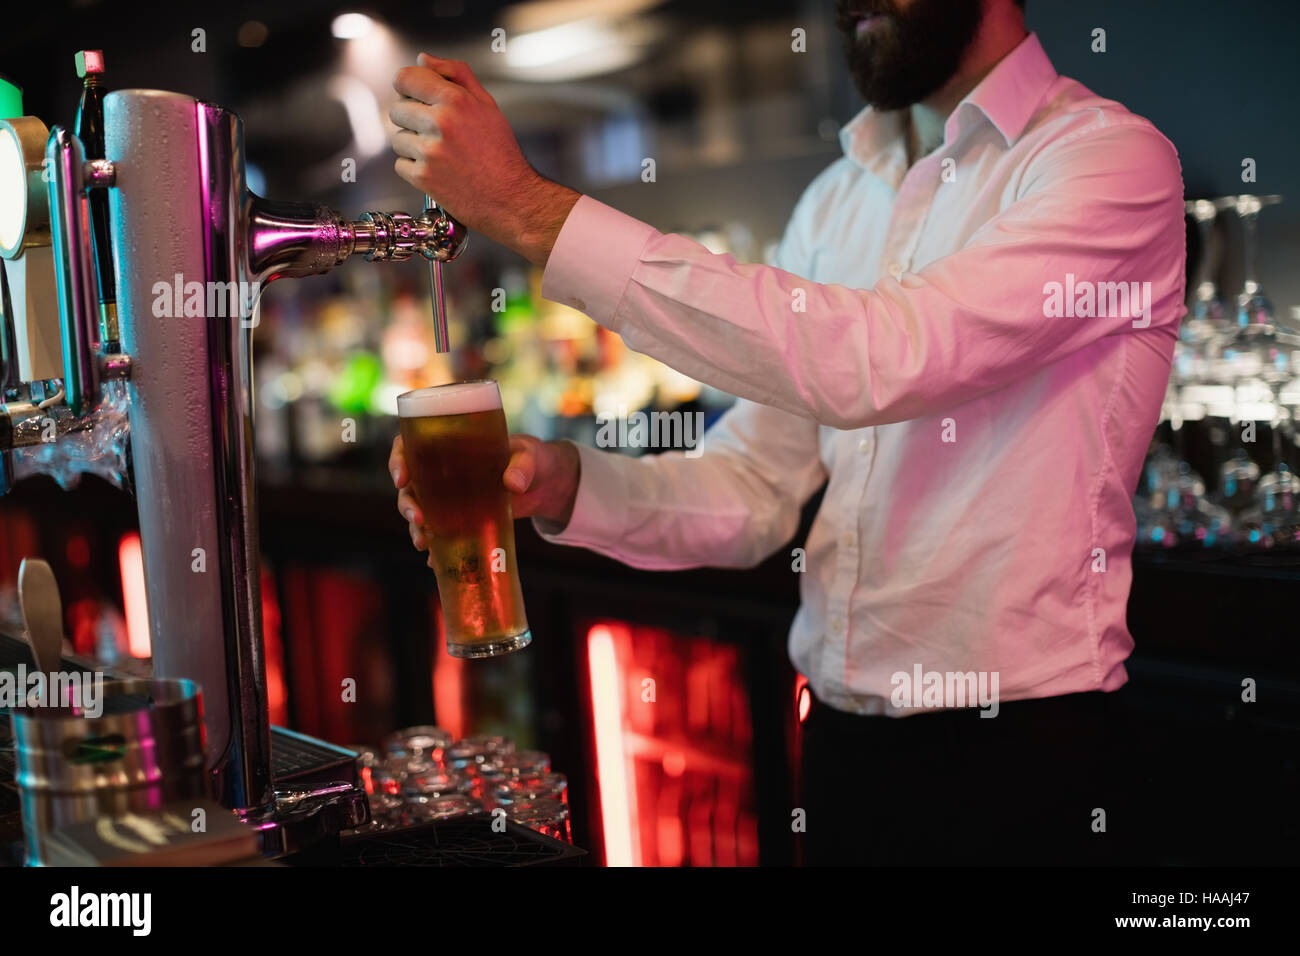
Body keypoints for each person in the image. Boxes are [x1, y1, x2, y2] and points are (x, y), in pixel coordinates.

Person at [387, 0, 1186, 865]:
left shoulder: (1106, 160)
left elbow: (882, 358)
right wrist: (570, 483)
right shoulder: (838, 196)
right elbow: (755, 489)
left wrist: (529, 209)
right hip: (844, 750)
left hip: (1024, 758)